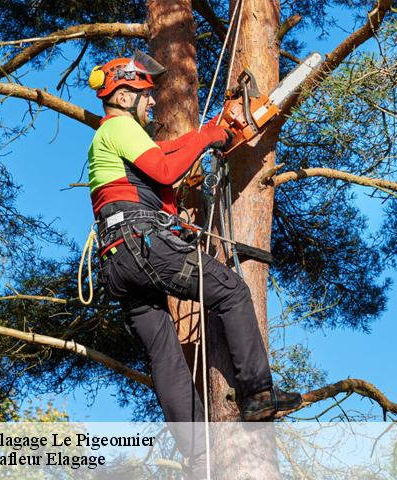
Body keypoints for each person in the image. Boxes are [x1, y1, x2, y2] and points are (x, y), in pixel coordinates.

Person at [87, 51, 302, 464]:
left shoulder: (110, 142)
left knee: (164, 354)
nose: (152, 103)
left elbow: (157, 173)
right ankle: (257, 394)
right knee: (231, 290)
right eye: (145, 95)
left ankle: (198, 451)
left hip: (118, 261)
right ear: (125, 94)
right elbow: (166, 169)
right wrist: (208, 135)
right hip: (140, 244)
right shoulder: (118, 127)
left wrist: (176, 215)